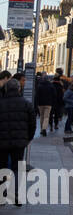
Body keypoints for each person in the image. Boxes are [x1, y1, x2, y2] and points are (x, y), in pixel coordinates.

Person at [0, 77, 37, 206]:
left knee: (3, 167)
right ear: (19, 88)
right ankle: (16, 193)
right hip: (20, 143)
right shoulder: (26, 104)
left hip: (2, 142)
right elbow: (32, 123)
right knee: (18, 168)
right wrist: (28, 139)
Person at [35, 72, 56, 137]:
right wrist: (53, 103)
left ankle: (42, 130)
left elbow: (37, 96)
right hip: (48, 104)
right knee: (46, 117)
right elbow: (54, 95)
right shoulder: (51, 86)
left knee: (41, 116)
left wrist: (37, 103)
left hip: (40, 104)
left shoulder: (39, 86)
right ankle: (44, 129)